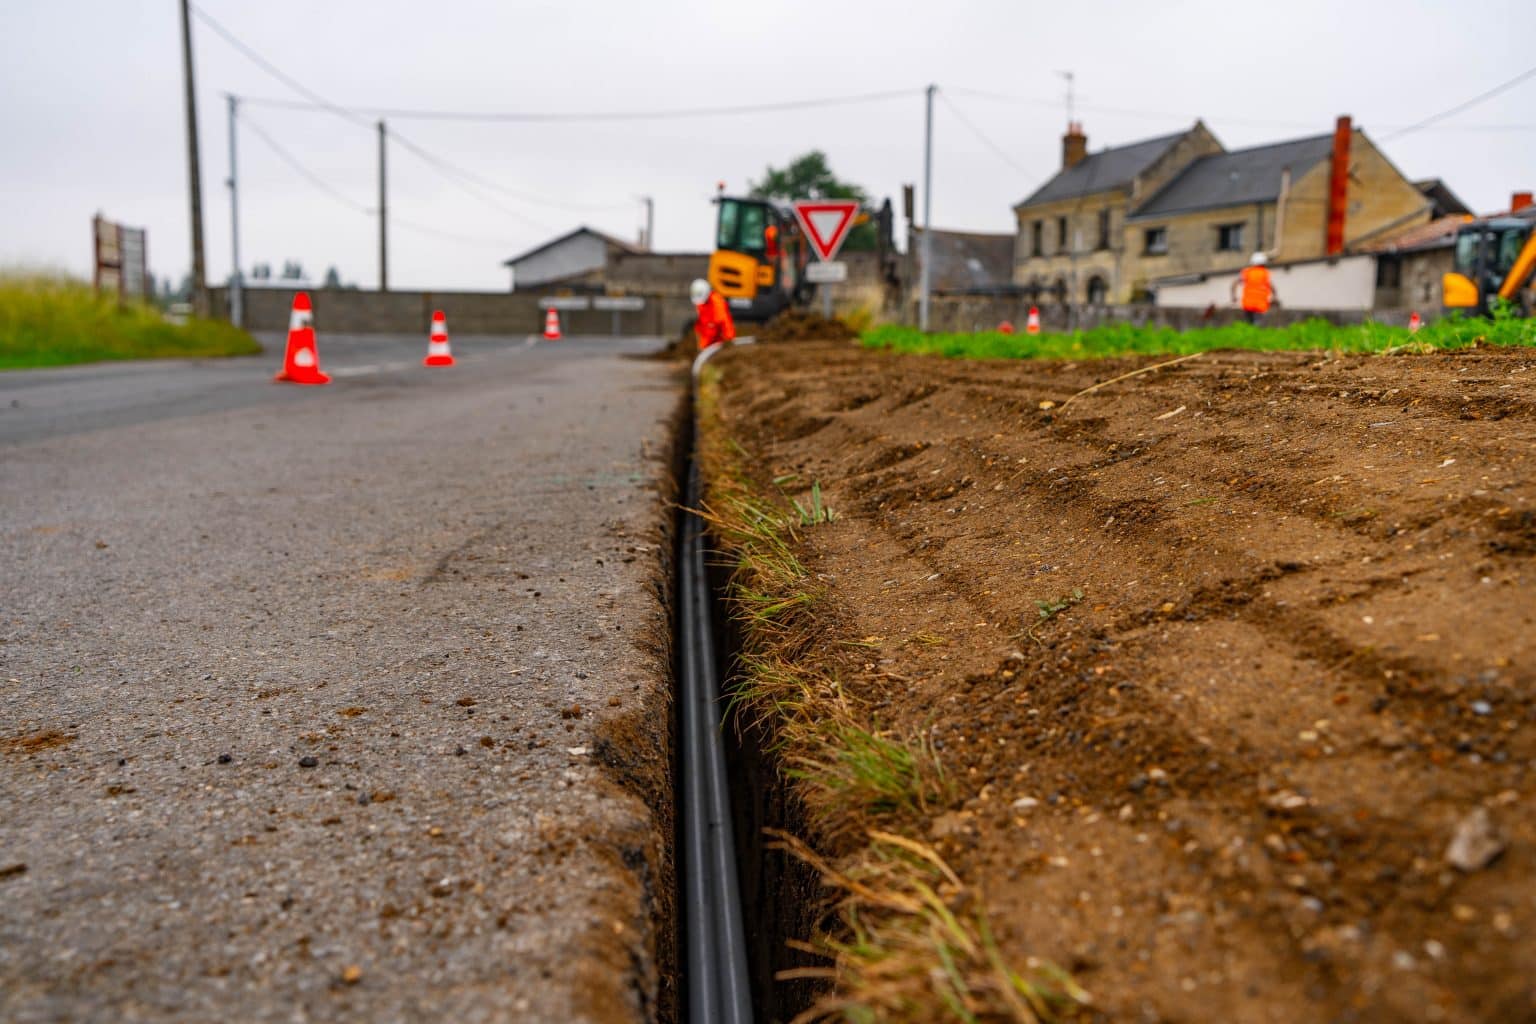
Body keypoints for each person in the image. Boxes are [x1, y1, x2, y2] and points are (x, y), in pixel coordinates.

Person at [1231, 252, 1278, 324]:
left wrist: (1234, 296)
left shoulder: (1247, 272)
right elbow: (1272, 287)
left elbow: (1234, 284)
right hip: (1260, 306)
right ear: (1264, 263)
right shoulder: (1265, 273)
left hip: (1247, 305)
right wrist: (1274, 297)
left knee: (1248, 325)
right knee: (1258, 326)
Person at [691, 278, 735, 350]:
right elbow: (703, 323)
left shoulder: (717, 305)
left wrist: (729, 342)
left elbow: (725, 325)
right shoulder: (702, 303)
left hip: (718, 342)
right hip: (709, 339)